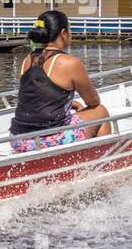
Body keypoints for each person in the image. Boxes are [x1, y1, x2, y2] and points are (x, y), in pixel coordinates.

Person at [8, 10, 112, 153]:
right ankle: (100, 162)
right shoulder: (69, 63)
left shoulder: (28, 59)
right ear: (63, 33)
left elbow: (37, 95)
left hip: (18, 139)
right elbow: (93, 102)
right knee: (101, 111)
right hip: (48, 140)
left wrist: (73, 103)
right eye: (70, 30)